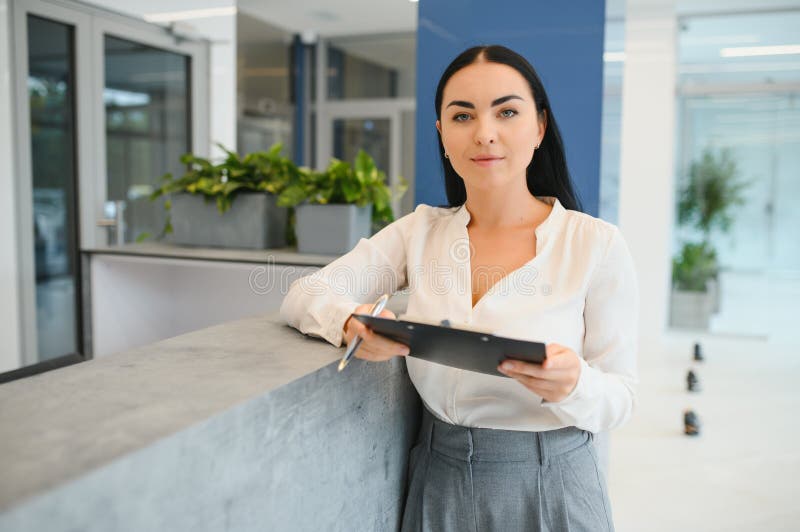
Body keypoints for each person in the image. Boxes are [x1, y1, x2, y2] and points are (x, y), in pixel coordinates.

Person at [280, 44, 638, 532]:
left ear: (539, 127)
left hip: (554, 485)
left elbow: (622, 397)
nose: (485, 134)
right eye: (462, 115)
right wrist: (349, 323)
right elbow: (305, 293)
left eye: (507, 112)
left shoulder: (594, 244)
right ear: (442, 134)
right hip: (439, 478)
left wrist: (576, 384)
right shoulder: (419, 232)